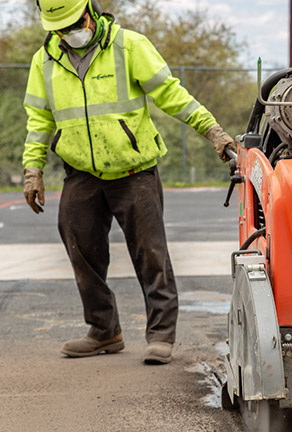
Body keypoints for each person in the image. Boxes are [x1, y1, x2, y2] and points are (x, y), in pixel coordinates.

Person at [21, 0, 235, 364]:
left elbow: (170, 93)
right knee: (80, 247)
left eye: (72, 23)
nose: (66, 32)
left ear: (91, 10)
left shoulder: (129, 46)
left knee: (150, 253)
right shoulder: (45, 60)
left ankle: (161, 336)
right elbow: (39, 119)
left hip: (134, 171)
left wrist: (212, 129)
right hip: (82, 173)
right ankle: (104, 331)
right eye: (57, 27)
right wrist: (33, 169)